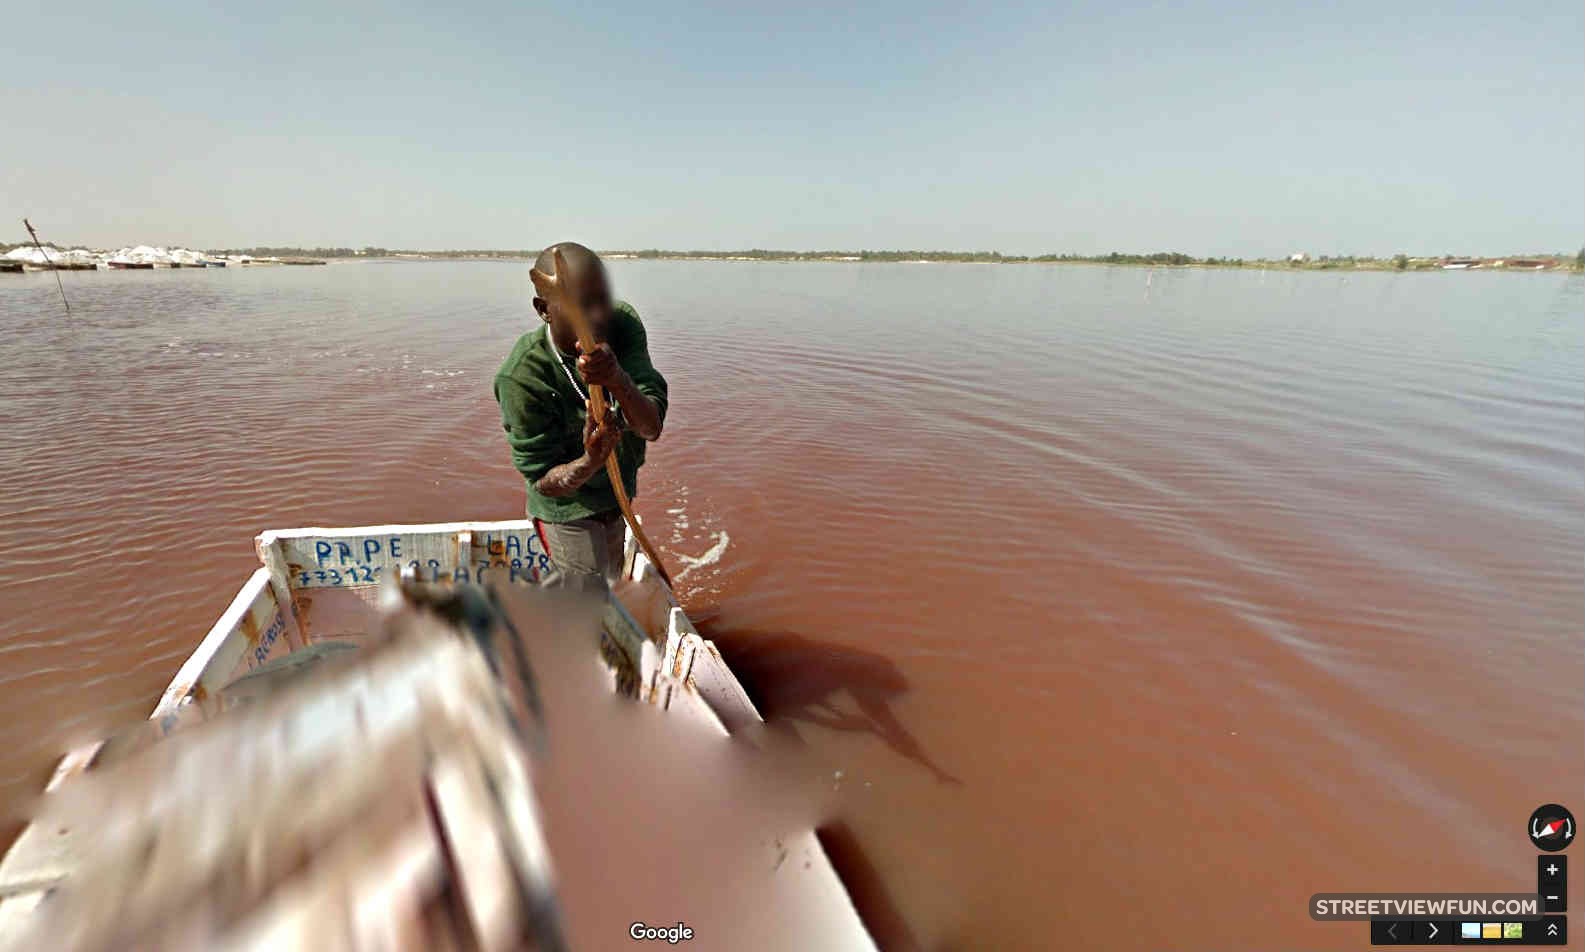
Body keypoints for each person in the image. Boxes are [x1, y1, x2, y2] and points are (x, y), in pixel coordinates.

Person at [493, 242, 668, 581]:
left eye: (603, 299)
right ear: (544, 309)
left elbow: (651, 427)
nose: (599, 316)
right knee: (587, 592)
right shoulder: (521, 377)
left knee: (613, 579)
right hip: (565, 508)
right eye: (582, 306)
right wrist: (591, 460)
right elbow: (544, 481)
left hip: (616, 493)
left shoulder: (622, 325)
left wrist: (617, 379)